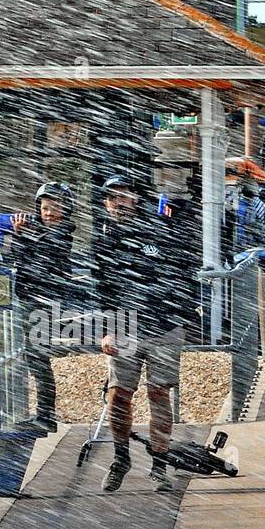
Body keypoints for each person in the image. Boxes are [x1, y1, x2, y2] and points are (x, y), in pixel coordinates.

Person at [93, 175, 195, 493]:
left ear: (137, 199)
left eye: (125, 196)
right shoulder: (101, 239)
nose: (119, 203)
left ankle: (159, 464)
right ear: (105, 203)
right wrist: (106, 332)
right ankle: (121, 457)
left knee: (159, 394)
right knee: (119, 395)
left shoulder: (159, 228)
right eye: (113, 198)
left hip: (163, 325)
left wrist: (182, 315)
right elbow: (100, 291)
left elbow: (180, 272)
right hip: (123, 327)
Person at [9, 182, 76, 433]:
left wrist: (20, 235)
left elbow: (35, 258)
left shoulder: (61, 233)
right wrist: (22, 236)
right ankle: (42, 413)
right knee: (33, 356)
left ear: (66, 210)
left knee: (38, 357)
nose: (49, 213)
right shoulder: (40, 231)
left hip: (43, 302)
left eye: (55, 208)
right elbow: (22, 259)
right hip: (33, 298)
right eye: (45, 208)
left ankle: (45, 415)